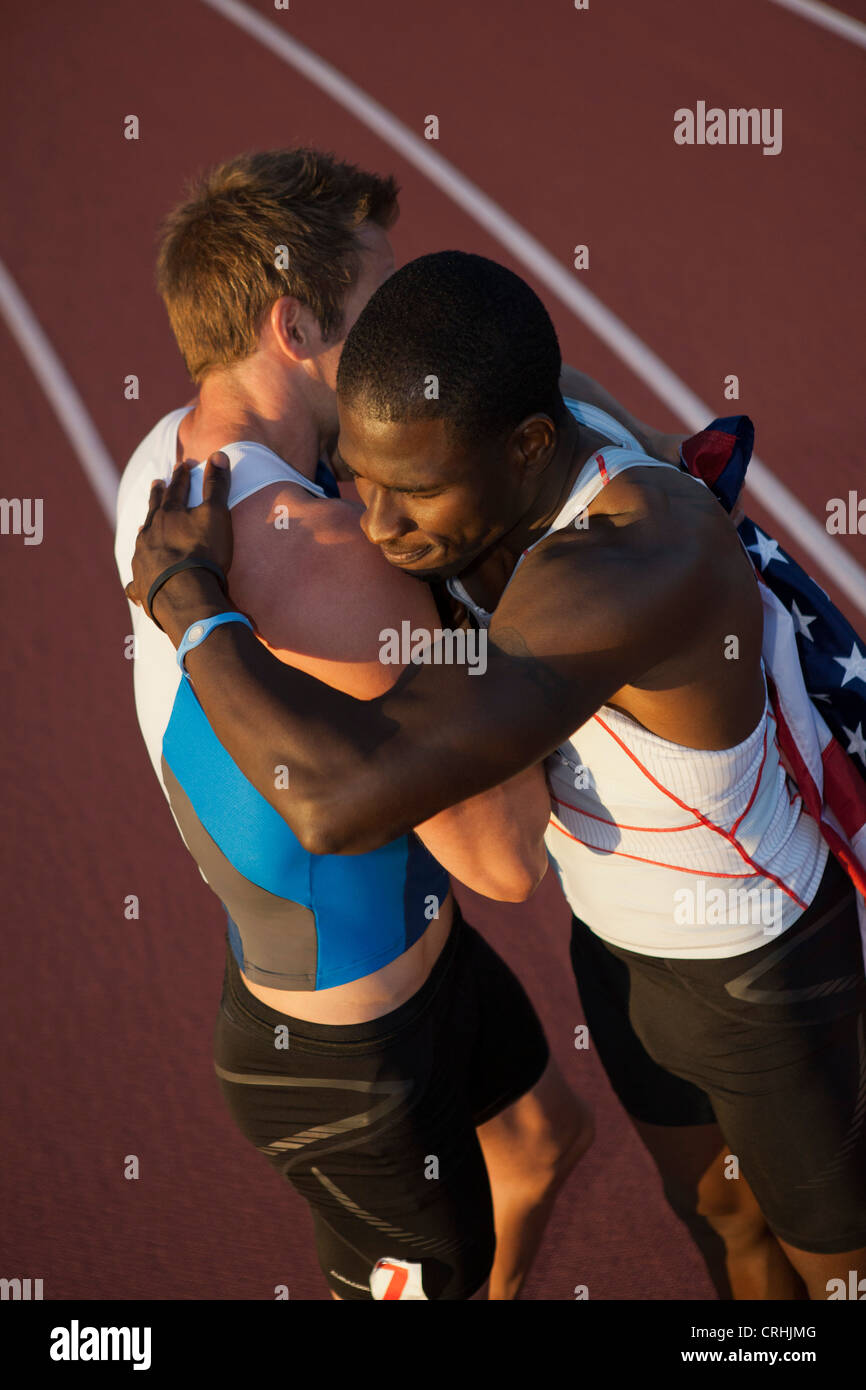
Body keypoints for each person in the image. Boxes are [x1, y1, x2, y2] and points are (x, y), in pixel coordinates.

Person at [125, 250, 866, 1301]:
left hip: (760, 971)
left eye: (412, 492)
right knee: (720, 1220)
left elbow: (336, 798)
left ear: (525, 447)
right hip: (616, 955)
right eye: (356, 473)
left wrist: (192, 602)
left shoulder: (622, 567)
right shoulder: (505, 411)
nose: (376, 526)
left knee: (838, 1275)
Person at [115, 152, 600, 1302]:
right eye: (382, 310)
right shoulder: (329, 561)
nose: (409, 337)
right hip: (351, 1069)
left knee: (538, 1144)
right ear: (293, 324)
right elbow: (505, 859)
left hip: (401, 966)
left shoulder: (175, 458)